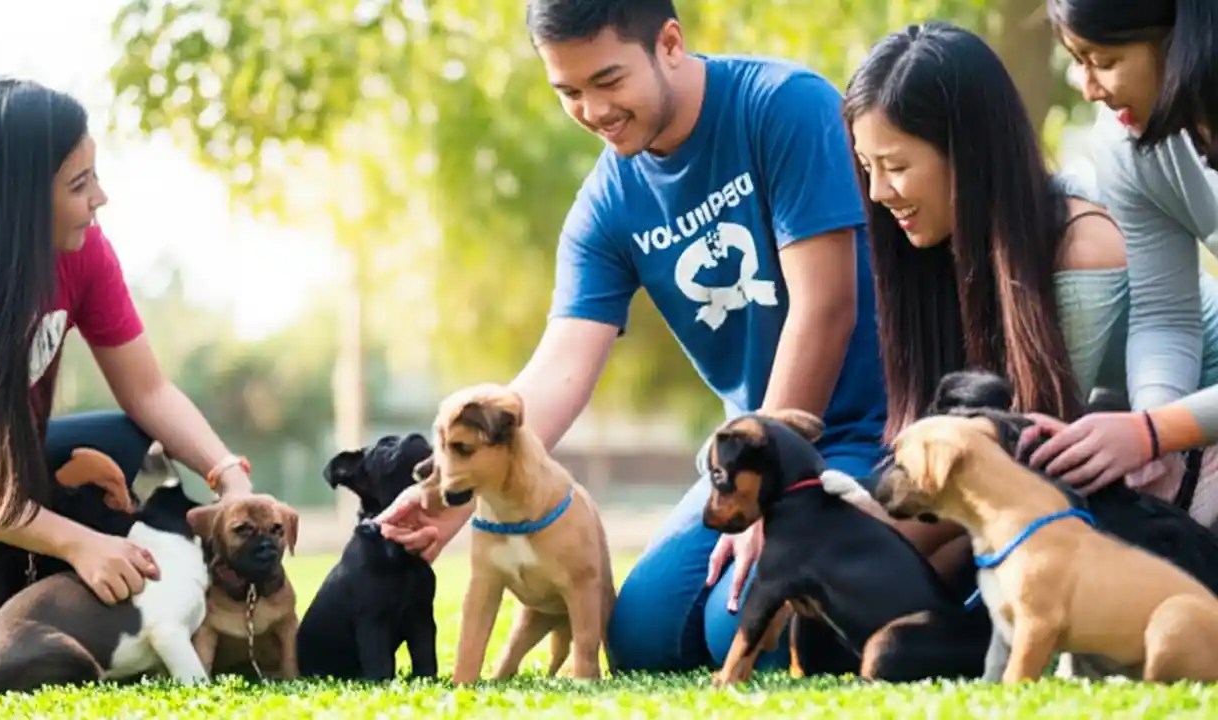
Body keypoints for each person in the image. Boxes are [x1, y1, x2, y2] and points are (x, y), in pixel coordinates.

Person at [377, 0, 888, 672]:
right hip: (739, 457)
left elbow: (825, 307)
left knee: (737, 627)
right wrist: (464, 481)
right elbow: (561, 367)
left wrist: (771, 489)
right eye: (569, 92)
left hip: (858, 434)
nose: (593, 110)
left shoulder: (784, 106)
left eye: (608, 81)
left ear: (669, 43)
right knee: (640, 637)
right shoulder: (606, 204)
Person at [844, 20, 1218, 573]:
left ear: (966, 156)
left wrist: (854, 538)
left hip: (1190, 433)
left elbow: (1019, 458)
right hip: (1126, 440)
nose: (878, 192)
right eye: (868, 166)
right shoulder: (937, 252)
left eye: (896, 167)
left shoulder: (1078, 247)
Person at [0, 78, 264, 609]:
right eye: (77, 185)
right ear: (15, 203)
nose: (99, 198)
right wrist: (78, 542)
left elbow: (149, 391)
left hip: (10, 472)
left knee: (128, 441)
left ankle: (162, 590)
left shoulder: (83, 251)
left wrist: (228, 478)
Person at [1021, 1, 1218, 510]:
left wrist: (1154, 431)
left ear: (1184, 41)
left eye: (1104, 62)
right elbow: (1165, 314)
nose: (1087, 87)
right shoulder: (1127, 143)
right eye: (1078, 59)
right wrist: (1154, 437)